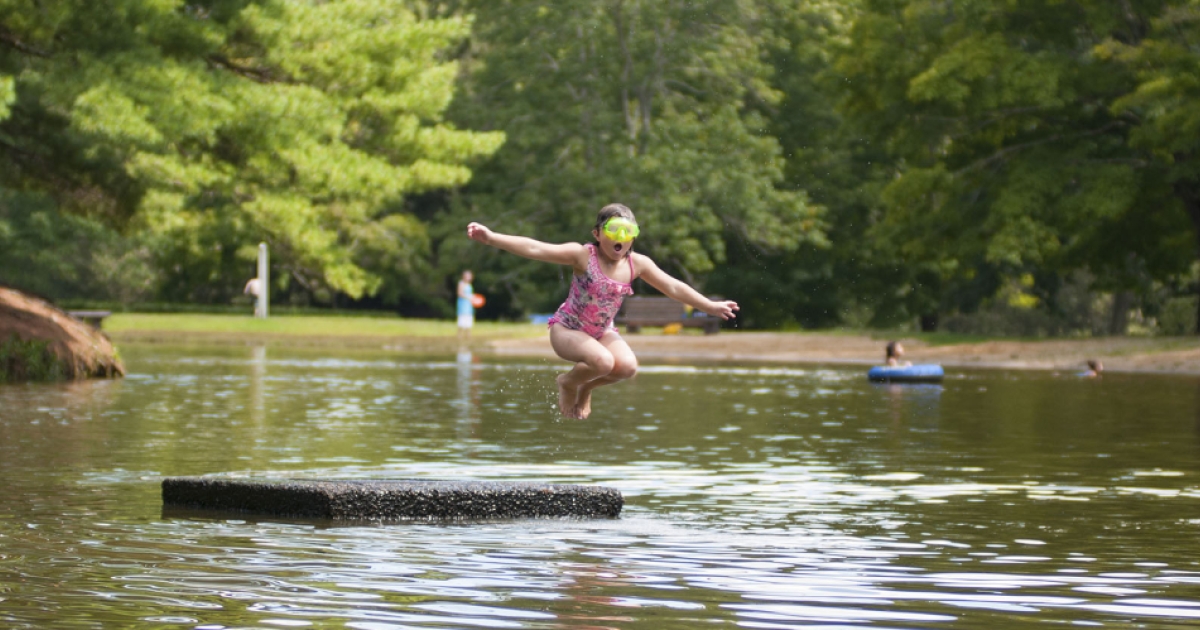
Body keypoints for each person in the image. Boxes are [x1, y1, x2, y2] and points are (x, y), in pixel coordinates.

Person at [466, 203, 739, 419]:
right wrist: (491, 238)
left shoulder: (637, 264)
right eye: (614, 230)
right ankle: (568, 383)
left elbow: (674, 287)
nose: (621, 239)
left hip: (601, 332)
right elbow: (535, 247)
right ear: (597, 234)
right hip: (568, 329)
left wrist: (710, 306)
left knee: (628, 367)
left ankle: (585, 387)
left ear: (633, 237)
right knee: (604, 362)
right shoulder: (582, 255)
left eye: (628, 233)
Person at [456, 270, 475, 342]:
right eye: (467, 276)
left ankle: (468, 336)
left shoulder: (469, 285)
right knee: (462, 320)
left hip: (469, 305)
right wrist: (468, 297)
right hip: (463, 304)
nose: (469, 278)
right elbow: (460, 293)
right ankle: (459, 336)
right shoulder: (461, 283)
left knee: (469, 320)